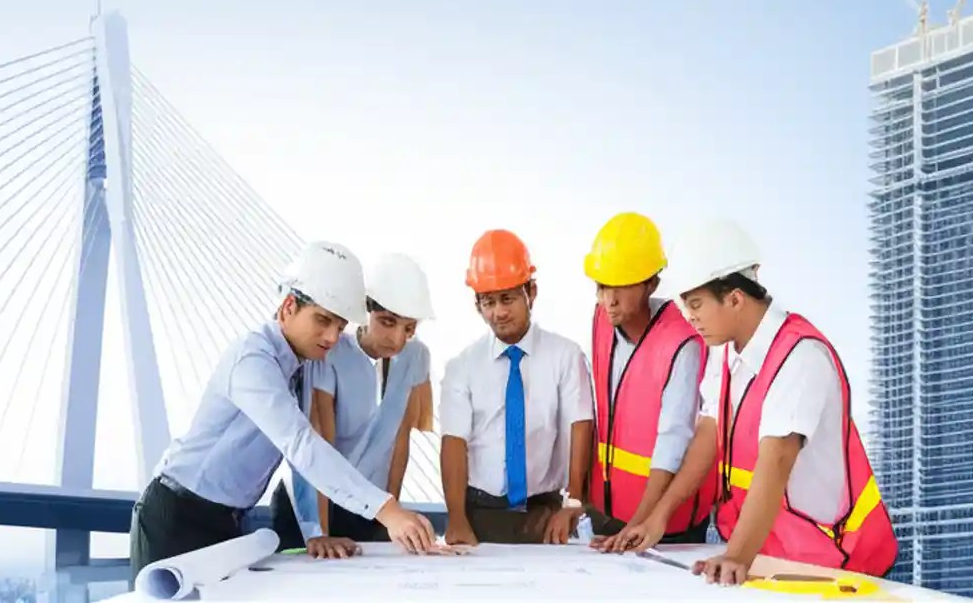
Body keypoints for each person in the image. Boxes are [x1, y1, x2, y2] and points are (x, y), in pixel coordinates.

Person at [602, 218, 897, 586]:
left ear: (735, 298)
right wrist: (658, 517)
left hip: (833, 562)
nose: (688, 317)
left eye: (695, 304)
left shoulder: (799, 357)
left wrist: (736, 555)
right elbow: (708, 434)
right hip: (774, 555)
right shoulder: (726, 353)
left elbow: (776, 459)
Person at [128, 241, 437, 585]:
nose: (332, 337)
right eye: (322, 320)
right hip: (177, 513)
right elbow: (302, 445)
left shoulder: (304, 367)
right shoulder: (254, 360)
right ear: (289, 307)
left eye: (339, 325)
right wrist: (387, 510)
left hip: (231, 521)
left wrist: (320, 529)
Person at [440, 229, 594, 545]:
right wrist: (456, 518)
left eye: (507, 298)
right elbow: (454, 442)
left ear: (531, 292)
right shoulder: (462, 366)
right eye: (488, 302)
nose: (499, 312)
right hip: (479, 513)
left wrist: (573, 503)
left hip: (547, 514)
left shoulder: (566, 355)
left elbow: (579, 426)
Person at [581, 212, 715, 548]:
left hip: (665, 528)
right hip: (605, 515)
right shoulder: (601, 320)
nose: (608, 299)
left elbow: (673, 440)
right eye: (601, 286)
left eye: (621, 286)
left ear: (651, 284)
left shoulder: (682, 345)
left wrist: (639, 524)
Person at [284, 252, 438, 543]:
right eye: (387, 322)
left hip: (372, 508)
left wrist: (392, 513)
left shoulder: (417, 357)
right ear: (363, 310)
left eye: (409, 328)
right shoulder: (329, 352)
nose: (397, 339)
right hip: (315, 506)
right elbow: (319, 441)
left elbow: (400, 439)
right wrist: (319, 533)